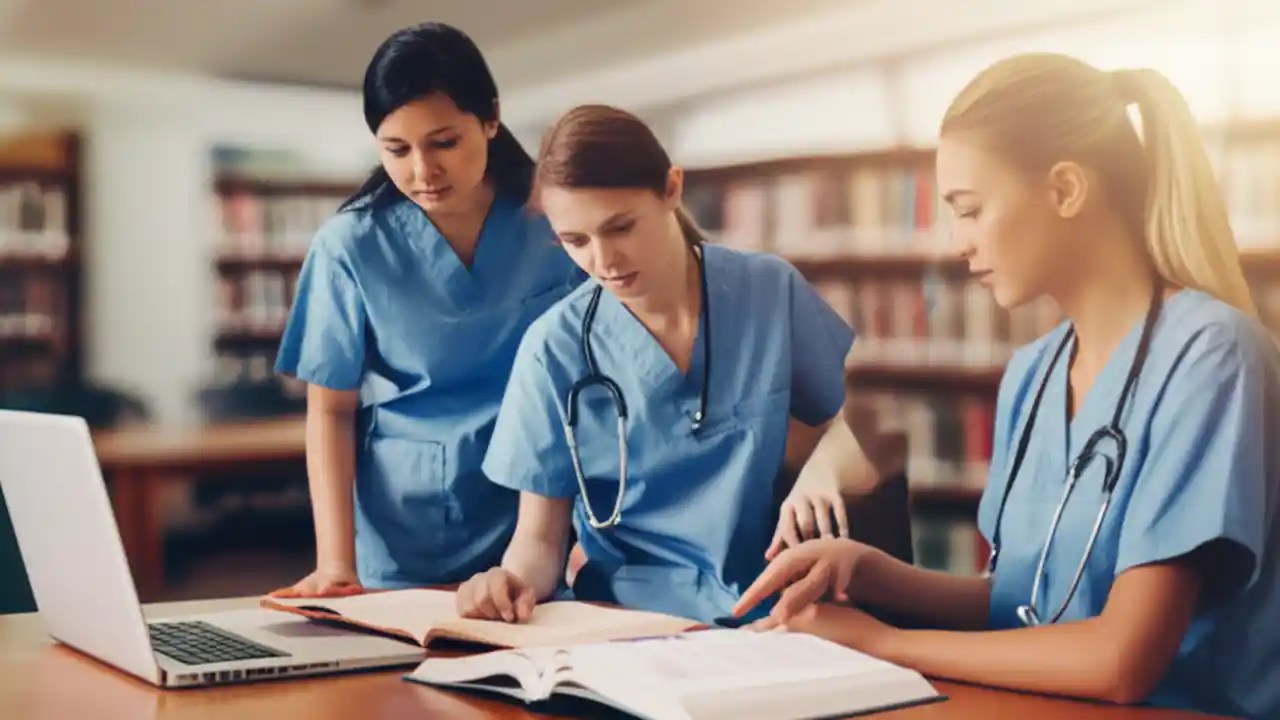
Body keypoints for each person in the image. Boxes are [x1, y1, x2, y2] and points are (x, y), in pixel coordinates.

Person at [732, 53, 1280, 719]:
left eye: (970, 210)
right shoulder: (1034, 371)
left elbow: (1120, 662)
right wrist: (873, 571)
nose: (955, 244)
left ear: (1066, 190)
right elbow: (1026, 600)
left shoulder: (1213, 356)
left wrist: (885, 643)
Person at [452, 104, 874, 625]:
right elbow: (539, 541)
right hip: (621, 621)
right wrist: (507, 583)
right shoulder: (554, 349)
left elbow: (855, 425)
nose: (603, 261)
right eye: (575, 241)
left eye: (621, 227)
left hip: (768, 612)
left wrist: (824, 468)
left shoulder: (768, 291)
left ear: (672, 188)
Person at [270, 23, 583, 595]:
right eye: (397, 149)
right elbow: (331, 412)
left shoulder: (559, 225)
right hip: (402, 531)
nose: (422, 170)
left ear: (490, 119)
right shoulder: (350, 246)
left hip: (535, 515)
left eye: (444, 143)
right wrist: (335, 563)